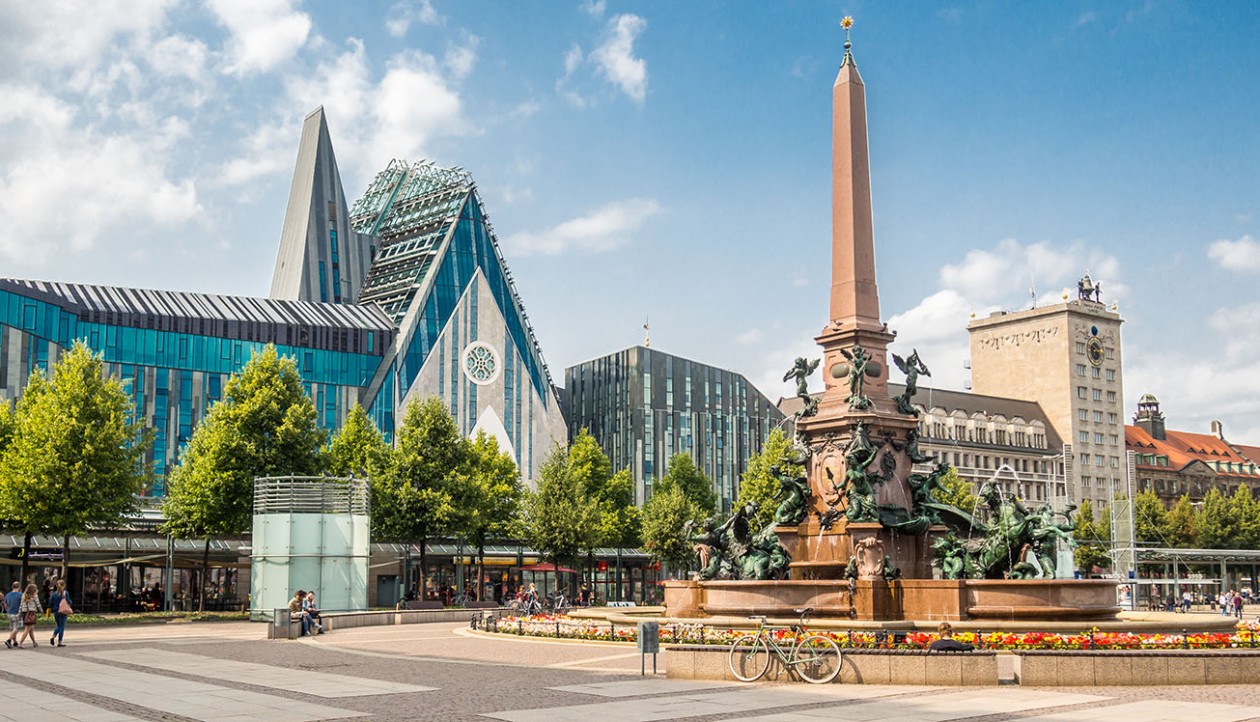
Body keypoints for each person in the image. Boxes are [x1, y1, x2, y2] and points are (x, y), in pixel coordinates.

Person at [48, 579, 71, 647]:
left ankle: (53, 636)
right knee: (62, 626)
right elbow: (68, 601)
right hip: (63, 611)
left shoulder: (54, 594)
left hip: (56, 611)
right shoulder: (65, 593)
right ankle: (59, 641)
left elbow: (50, 602)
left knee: (58, 625)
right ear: (64, 585)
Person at [16, 584, 40, 648]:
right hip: (31, 613)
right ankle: (21, 643)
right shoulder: (34, 596)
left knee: (31, 629)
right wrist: (41, 611)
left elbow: (21, 606)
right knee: (27, 629)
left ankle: (34, 642)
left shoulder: (24, 595)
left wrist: (19, 614)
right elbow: (38, 604)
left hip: (24, 613)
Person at [4, 582, 22, 649]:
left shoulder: (8, 595)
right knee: (16, 628)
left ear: (12, 586)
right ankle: (9, 640)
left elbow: (5, 604)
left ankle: (15, 641)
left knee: (13, 628)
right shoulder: (20, 595)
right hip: (17, 613)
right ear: (19, 587)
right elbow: (22, 604)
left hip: (9, 613)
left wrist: (7, 610)